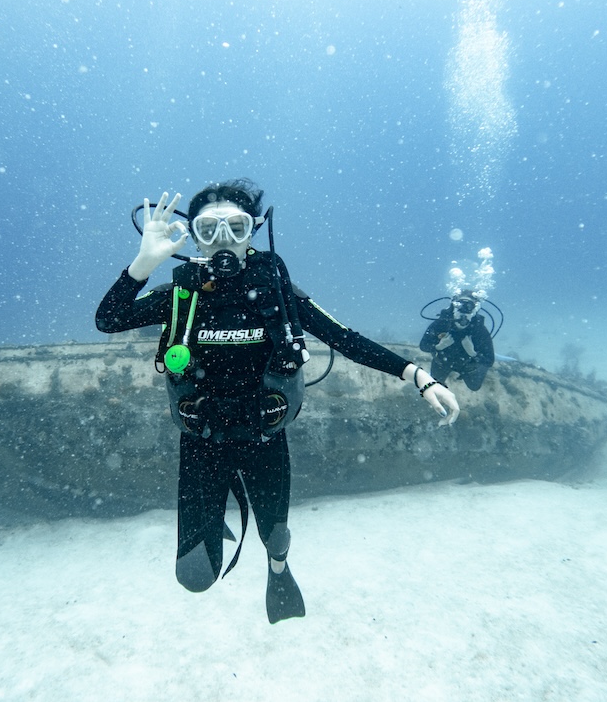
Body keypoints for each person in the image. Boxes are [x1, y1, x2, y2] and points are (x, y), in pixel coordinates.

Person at [95, 179, 459, 624]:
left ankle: (278, 567)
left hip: (265, 437)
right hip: (201, 437)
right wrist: (142, 264)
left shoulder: (278, 293)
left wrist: (419, 376)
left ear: (255, 229)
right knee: (194, 577)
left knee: (275, 534)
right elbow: (108, 320)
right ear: (192, 236)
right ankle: (218, 516)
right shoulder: (182, 294)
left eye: (236, 227)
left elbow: (345, 339)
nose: (224, 240)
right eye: (209, 230)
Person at [419, 289, 495, 391]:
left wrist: (473, 353)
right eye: (459, 306)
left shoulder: (479, 330)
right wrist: (438, 346)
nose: (463, 313)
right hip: (442, 362)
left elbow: (489, 360)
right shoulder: (441, 323)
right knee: (434, 387)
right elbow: (423, 345)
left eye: (468, 307)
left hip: (467, 365)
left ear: (474, 311)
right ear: (453, 308)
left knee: (474, 387)